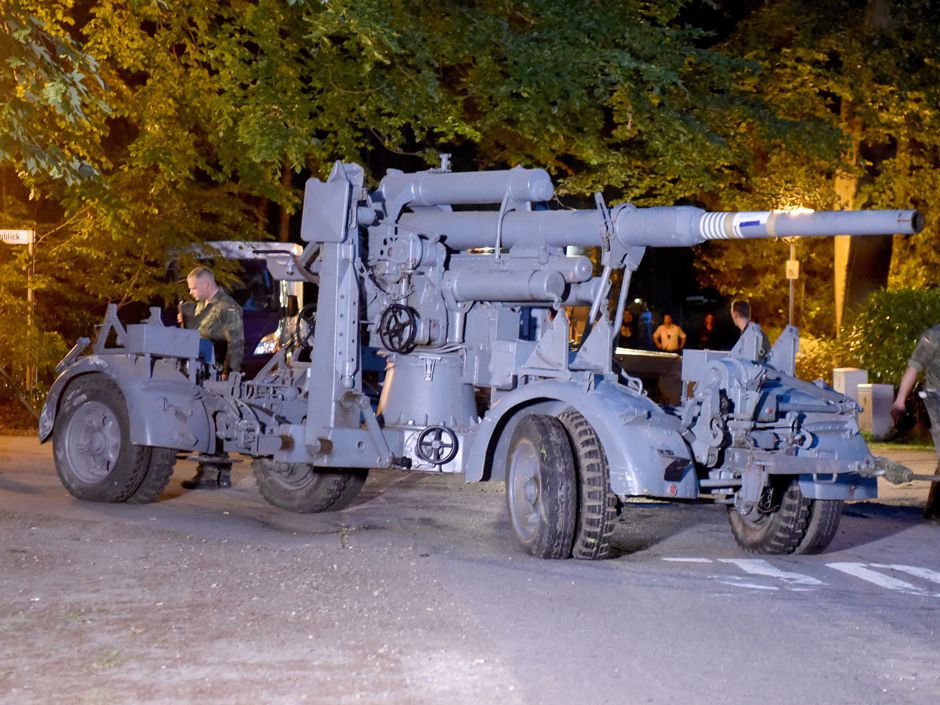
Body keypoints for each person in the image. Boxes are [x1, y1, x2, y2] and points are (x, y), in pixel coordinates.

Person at [178, 266, 245, 490]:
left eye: (194, 288)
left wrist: (230, 373)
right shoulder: (200, 306)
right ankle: (214, 474)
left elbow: (235, 343)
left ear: (206, 285)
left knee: (215, 421)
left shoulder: (228, 308)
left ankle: (214, 474)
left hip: (216, 372)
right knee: (205, 419)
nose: (191, 292)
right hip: (197, 370)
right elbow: (197, 334)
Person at [890, 324, 940, 520]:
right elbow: (913, 368)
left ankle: (934, 507)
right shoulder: (934, 336)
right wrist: (900, 400)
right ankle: (934, 509)